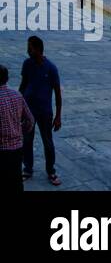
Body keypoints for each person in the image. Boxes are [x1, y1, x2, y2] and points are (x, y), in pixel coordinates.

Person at [18, 36, 61, 186]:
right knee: (27, 140)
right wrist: (19, 107)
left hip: (45, 112)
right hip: (28, 110)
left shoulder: (51, 68)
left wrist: (58, 116)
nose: (28, 50)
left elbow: (57, 93)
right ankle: (27, 168)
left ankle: (51, 171)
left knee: (48, 142)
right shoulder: (27, 64)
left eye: (30, 48)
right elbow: (23, 85)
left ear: (38, 49)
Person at [0, 64, 35, 192]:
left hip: (2, 149)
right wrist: (19, 131)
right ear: (7, 78)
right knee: (16, 181)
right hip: (16, 147)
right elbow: (30, 120)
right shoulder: (17, 95)